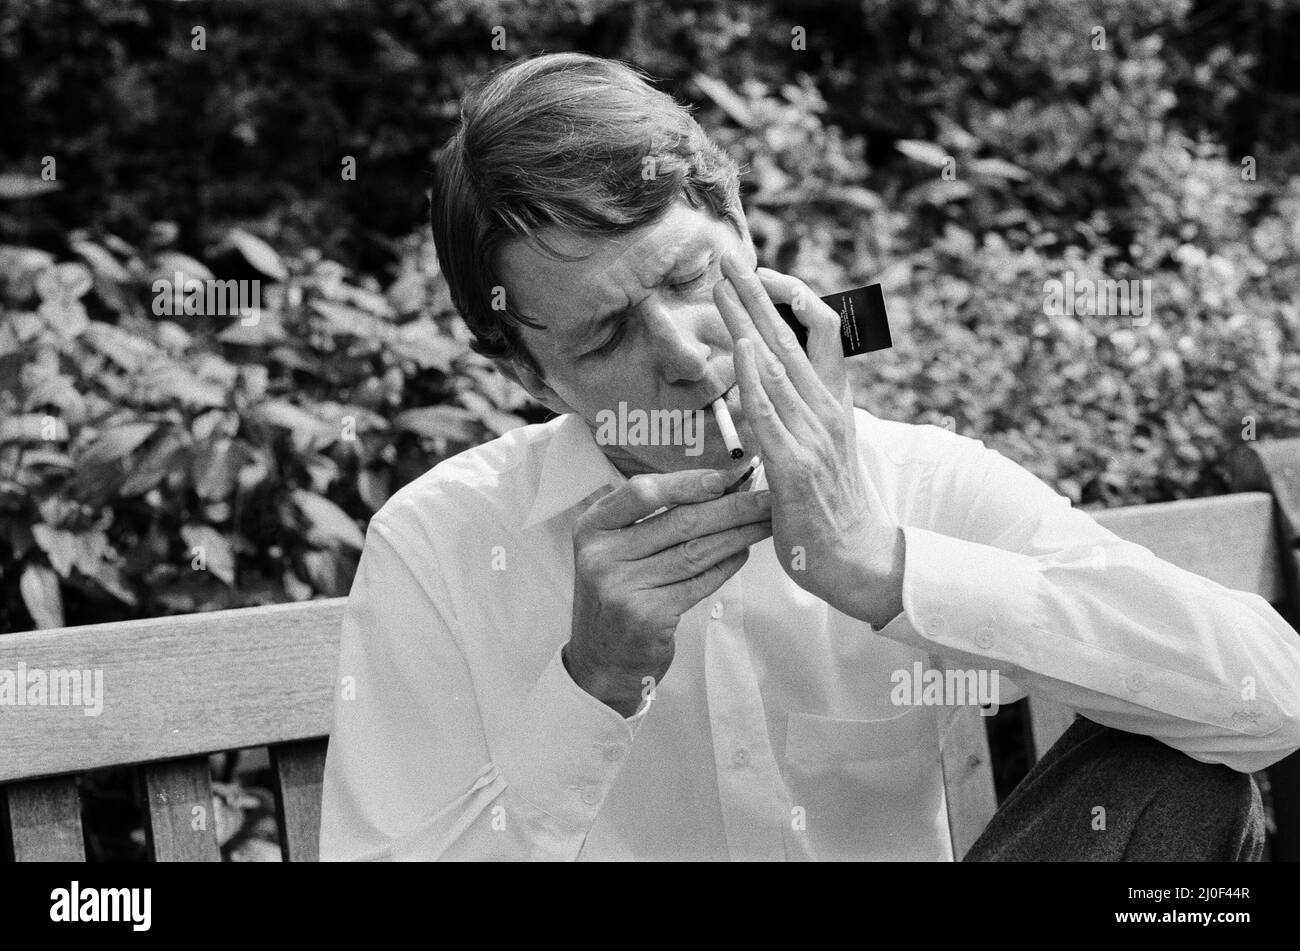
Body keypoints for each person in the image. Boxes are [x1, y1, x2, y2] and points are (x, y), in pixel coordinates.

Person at [319, 52, 1300, 861]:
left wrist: (885, 566)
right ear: (535, 380)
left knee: (1172, 767)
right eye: (606, 336)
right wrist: (592, 685)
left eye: (692, 276)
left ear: (743, 235)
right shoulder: (439, 546)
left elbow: (1275, 697)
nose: (684, 354)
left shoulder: (910, 480)